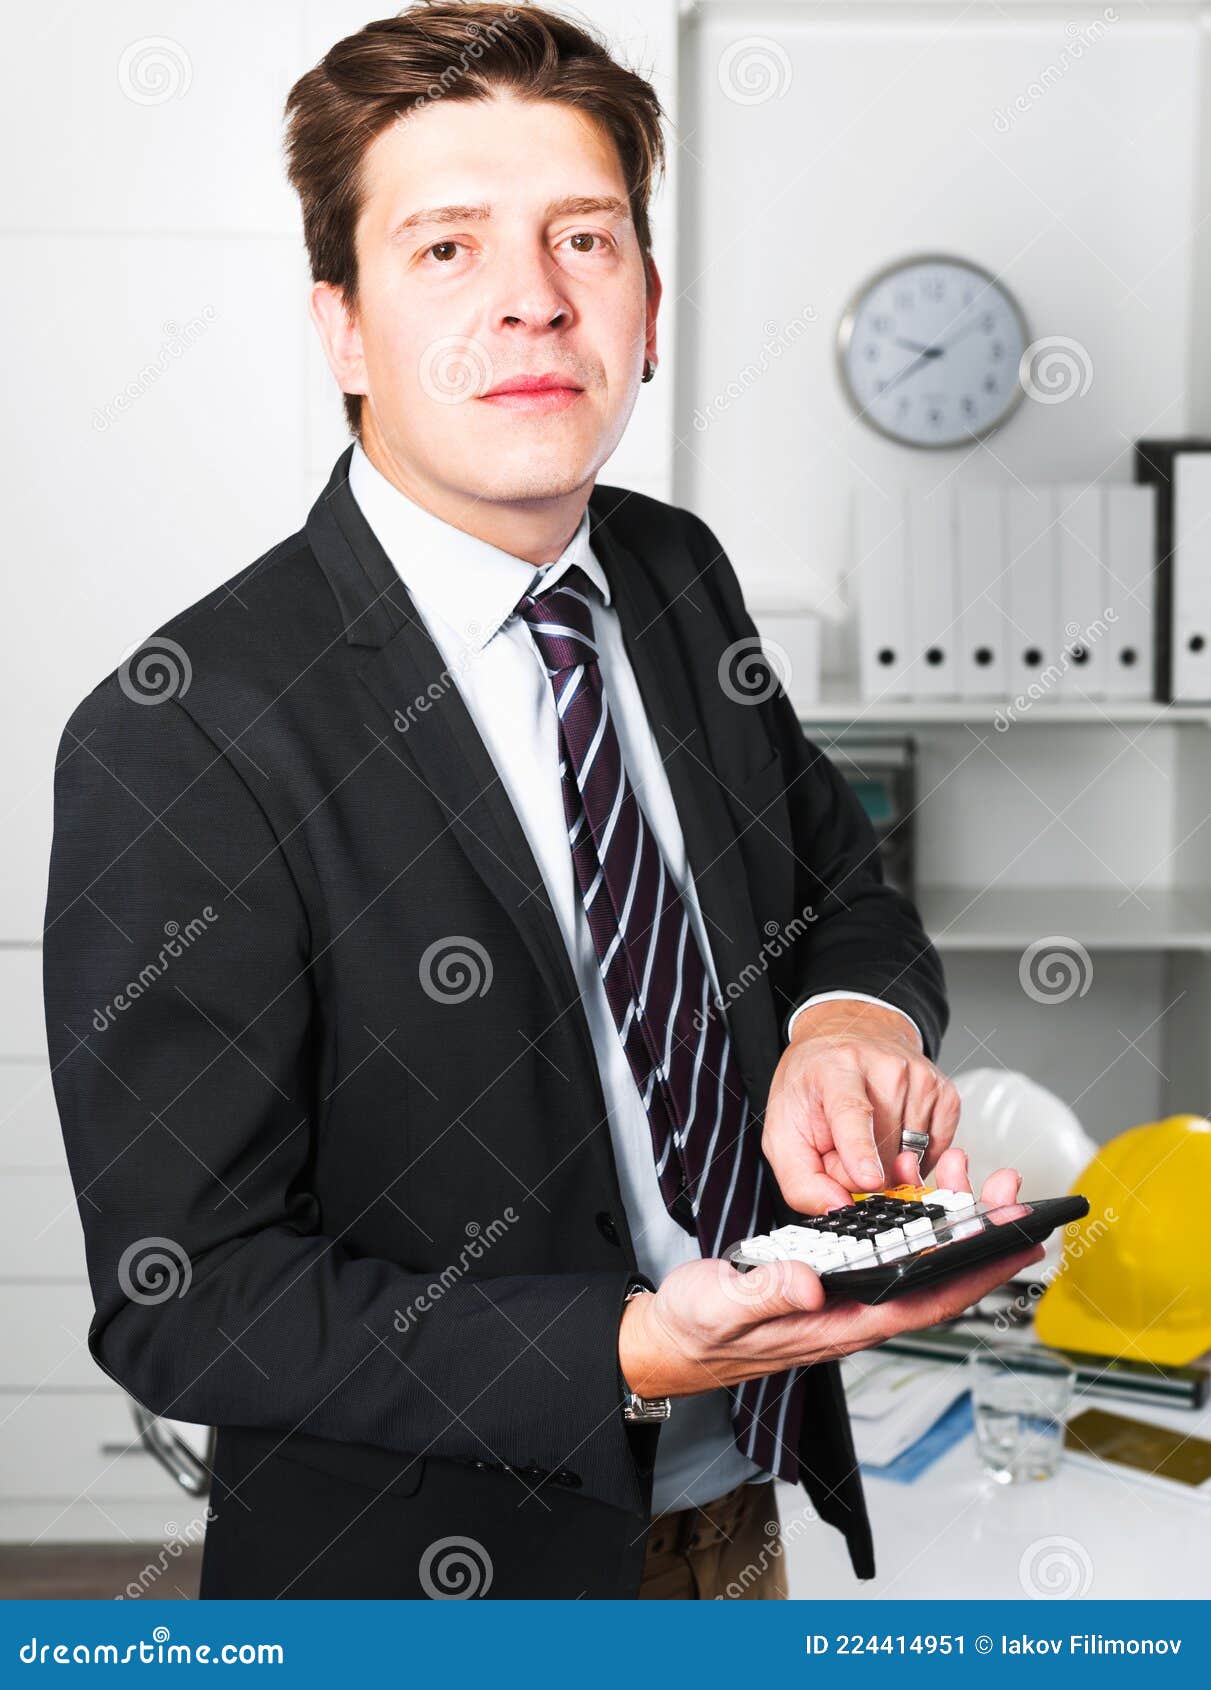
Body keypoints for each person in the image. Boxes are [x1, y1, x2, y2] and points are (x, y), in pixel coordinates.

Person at [42, 2, 1040, 1601]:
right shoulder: (183, 731)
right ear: (343, 327)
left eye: (583, 237)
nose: (531, 298)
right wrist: (628, 1346)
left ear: (648, 310)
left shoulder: (675, 573)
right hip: (430, 1583)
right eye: (446, 248)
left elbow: (838, 893)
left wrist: (845, 1023)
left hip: (743, 1517)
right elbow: (188, 1294)